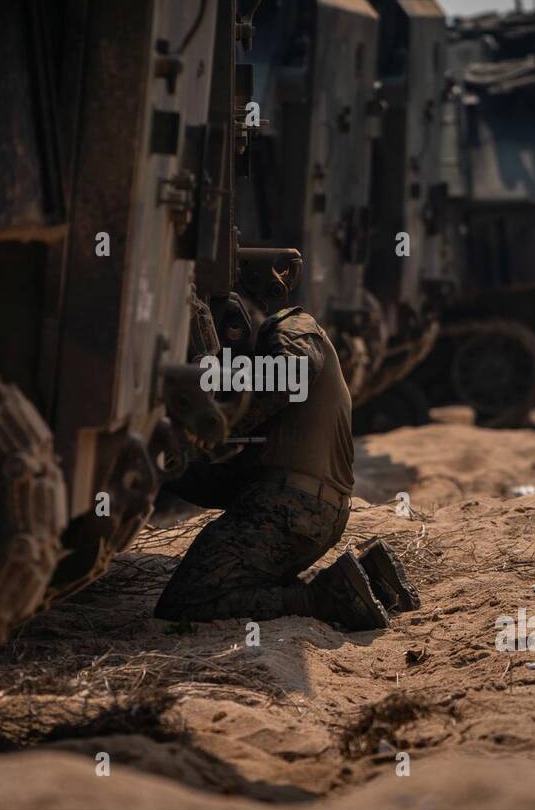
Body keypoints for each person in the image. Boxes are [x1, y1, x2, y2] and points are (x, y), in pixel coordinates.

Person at [154, 254, 391, 631]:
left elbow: (291, 374)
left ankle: (323, 598)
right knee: (239, 577)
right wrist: (170, 464)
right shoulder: (276, 355)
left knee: (190, 598)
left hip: (290, 510)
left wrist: (223, 412)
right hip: (305, 511)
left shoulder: (294, 327)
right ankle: (369, 579)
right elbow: (229, 485)